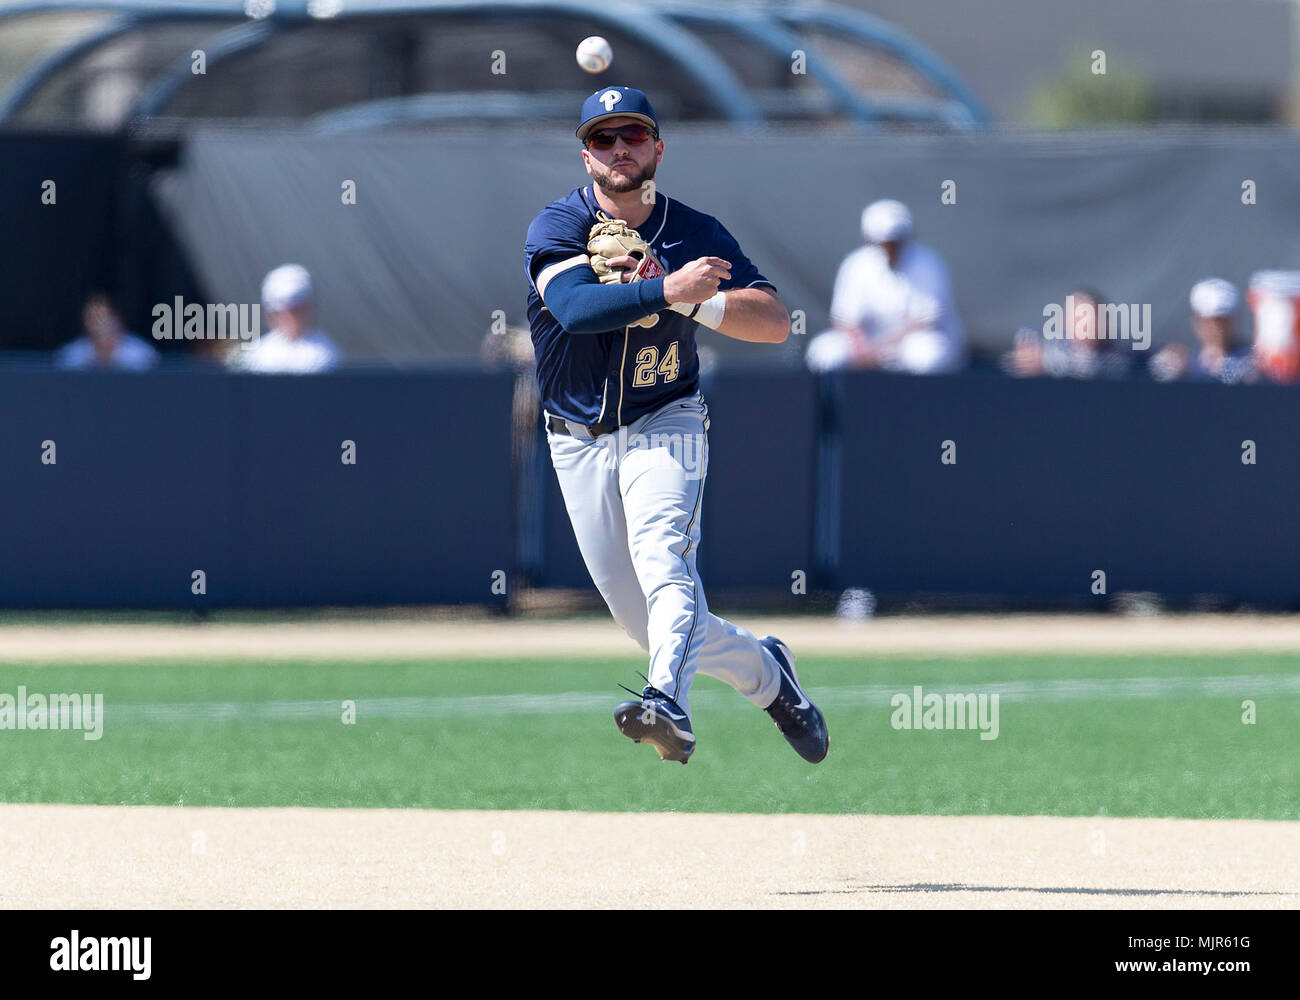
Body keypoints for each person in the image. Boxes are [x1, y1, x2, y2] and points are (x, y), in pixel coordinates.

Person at [523, 86, 827, 766]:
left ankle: (667, 705)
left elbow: (773, 323)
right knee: (648, 621)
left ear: (658, 147)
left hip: (667, 418)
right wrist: (664, 290)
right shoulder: (558, 227)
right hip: (577, 437)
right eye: (604, 138)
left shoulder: (696, 232)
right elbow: (573, 308)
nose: (619, 148)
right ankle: (769, 674)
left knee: (667, 566)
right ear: (586, 155)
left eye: (632, 134)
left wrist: (696, 304)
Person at [805, 199, 965, 374]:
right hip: (869, 344)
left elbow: (926, 321)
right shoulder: (855, 264)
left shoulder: (929, 262)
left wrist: (882, 348)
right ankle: (834, 400)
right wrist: (863, 349)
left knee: (926, 355)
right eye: (884, 242)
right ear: (870, 240)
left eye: (894, 242)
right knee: (825, 351)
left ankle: (921, 400)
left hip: (908, 342)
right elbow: (844, 319)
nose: (890, 248)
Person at [1004, 286, 1133, 379]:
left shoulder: (1122, 354)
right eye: (1076, 316)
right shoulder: (1051, 350)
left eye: (1087, 315)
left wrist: (1048, 365)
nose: (1081, 323)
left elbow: (1097, 366)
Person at [234, 264, 340, 373]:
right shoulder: (258, 354)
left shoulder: (326, 354)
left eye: (295, 310)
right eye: (278, 311)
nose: (288, 317)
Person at [1148, 278, 1257, 384]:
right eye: (1211, 320)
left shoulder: (1252, 362)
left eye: (1224, 320)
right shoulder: (1185, 363)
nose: (1218, 328)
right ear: (1195, 319)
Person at [56, 295, 158, 371]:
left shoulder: (140, 354)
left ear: (117, 319)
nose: (99, 324)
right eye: (93, 318)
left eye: (104, 317)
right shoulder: (71, 356)